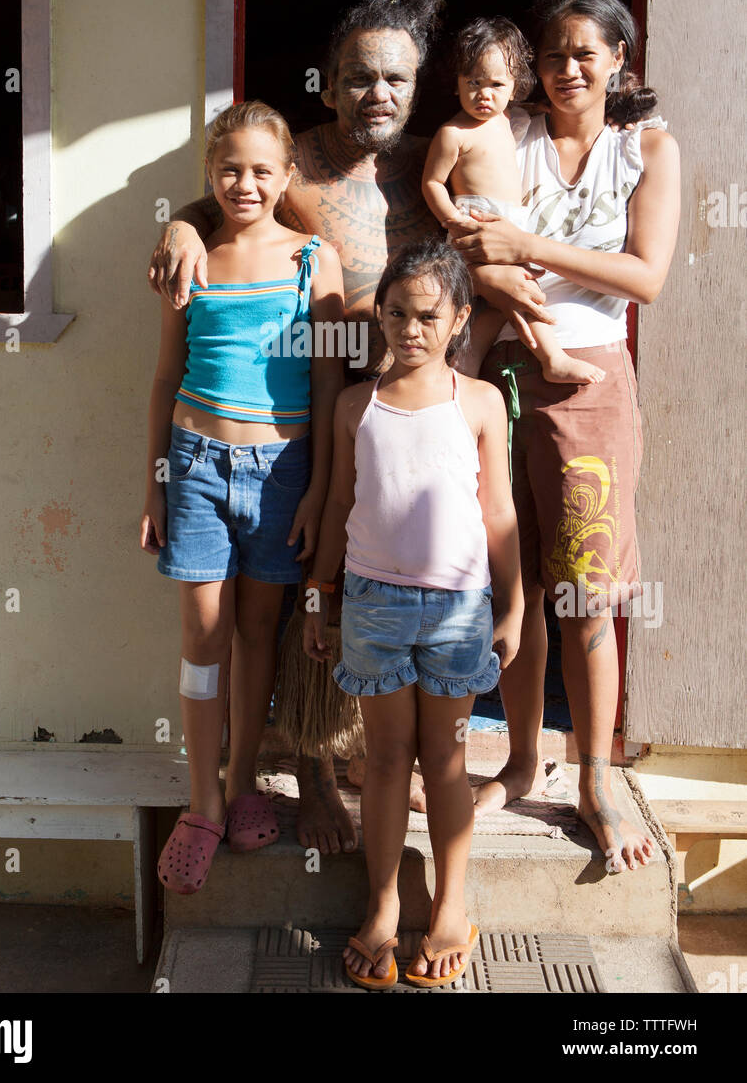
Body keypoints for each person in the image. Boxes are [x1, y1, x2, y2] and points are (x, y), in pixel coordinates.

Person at [148, 0, 537, 854]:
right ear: (329, 85)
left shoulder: (436, 166)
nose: (379, 94)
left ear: (417, 83)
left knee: (397, 582)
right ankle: (314, 768)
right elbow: (233, 204)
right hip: (312, 417)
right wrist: (180, 222)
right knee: (298, 597)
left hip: (422, 419)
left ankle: (381, 755)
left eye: (396, 78)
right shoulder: (300, 170)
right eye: (359, 78)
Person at [453, 0, 681, 871]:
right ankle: (519, 760)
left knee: (586, 585)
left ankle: (591, 774)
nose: (567, 69)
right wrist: (503, 278)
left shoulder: (647, 151)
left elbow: (645, 278)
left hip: (591, 380)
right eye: (553, 55)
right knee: (515, 585)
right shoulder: (505, 137)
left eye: (587, 52)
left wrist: (528, 252)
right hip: (498, 377)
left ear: (621, 59)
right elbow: (470, 246)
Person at [304, 238, 522, 987]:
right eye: (395, 312)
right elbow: (338, 504)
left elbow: (499, 512)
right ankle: (386, 905)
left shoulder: (482, 402)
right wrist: (317, 596)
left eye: (427, 315)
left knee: (449, 759)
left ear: (460, 317)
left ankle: (453, 904)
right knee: (389, 759)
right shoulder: (354, 405)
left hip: (461, 609)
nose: (409, 328)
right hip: (372, 603)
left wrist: (515, 602)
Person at [140, 100, 344, 893]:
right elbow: (164, 378)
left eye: (263, 171)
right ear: (208, 175)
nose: (245, 184)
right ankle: (201, 804)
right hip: (192, 467)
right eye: (230, 169)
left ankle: (243, 778)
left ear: (288, 175)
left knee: (260, 631)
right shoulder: (188, 260)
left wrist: (322, 493)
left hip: (285, 471)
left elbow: (329, 385)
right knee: (204, 635)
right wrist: (154, 484)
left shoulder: (311, 261)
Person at [423, 16, 606, 385]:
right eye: (473, 82)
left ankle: (463, 371)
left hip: (511, 225)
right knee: (518, 291)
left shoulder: (512, 119)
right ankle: (552, 358)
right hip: (473, 225)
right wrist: (452, 221)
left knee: (500, 305)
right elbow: (432, 183)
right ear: (456, 82)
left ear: (515, 87)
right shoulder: (453, 133)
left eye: (496, 84)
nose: (484, 94)